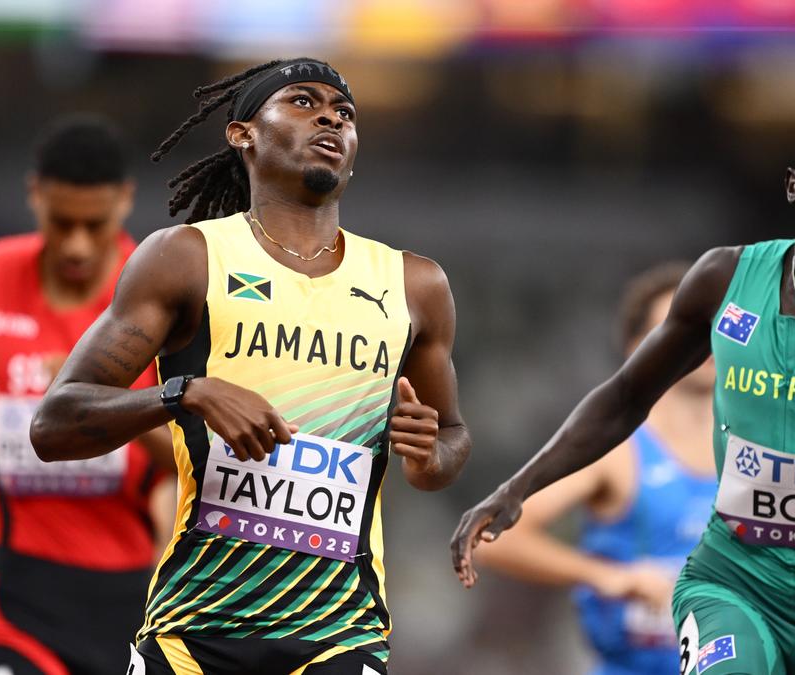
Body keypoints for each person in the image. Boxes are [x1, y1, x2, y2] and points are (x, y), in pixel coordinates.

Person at [453, 96, 795, 674]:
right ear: (794, 183)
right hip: (727, 584)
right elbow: (627, 395)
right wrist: (517, 488)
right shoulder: (724, 278)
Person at [30, 57, 470, 675]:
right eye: (301, 102)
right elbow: (53, 424)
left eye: (344, 113)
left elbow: (450, 440)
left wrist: (428, 457)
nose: (329, 117)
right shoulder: (186, 259)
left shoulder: (414, 284)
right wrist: (185, 392)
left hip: (338, 635)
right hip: (195, 633)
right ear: (242, 133)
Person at [474, 263, 795, 675]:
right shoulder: (619, 453)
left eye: (722, 323)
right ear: (644, 347)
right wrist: (606, 576)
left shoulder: (774, 447)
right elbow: (495, 535)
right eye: (687, 328)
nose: (710, 339)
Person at [0, 115, 175, 675]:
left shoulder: (158, 296)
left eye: (95, 224)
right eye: (61, 222)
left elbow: (185, 453)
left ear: (125, 200)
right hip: (15, 593)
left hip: (131, 598)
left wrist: (104, 402)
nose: (77, 244)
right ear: (34, 194)